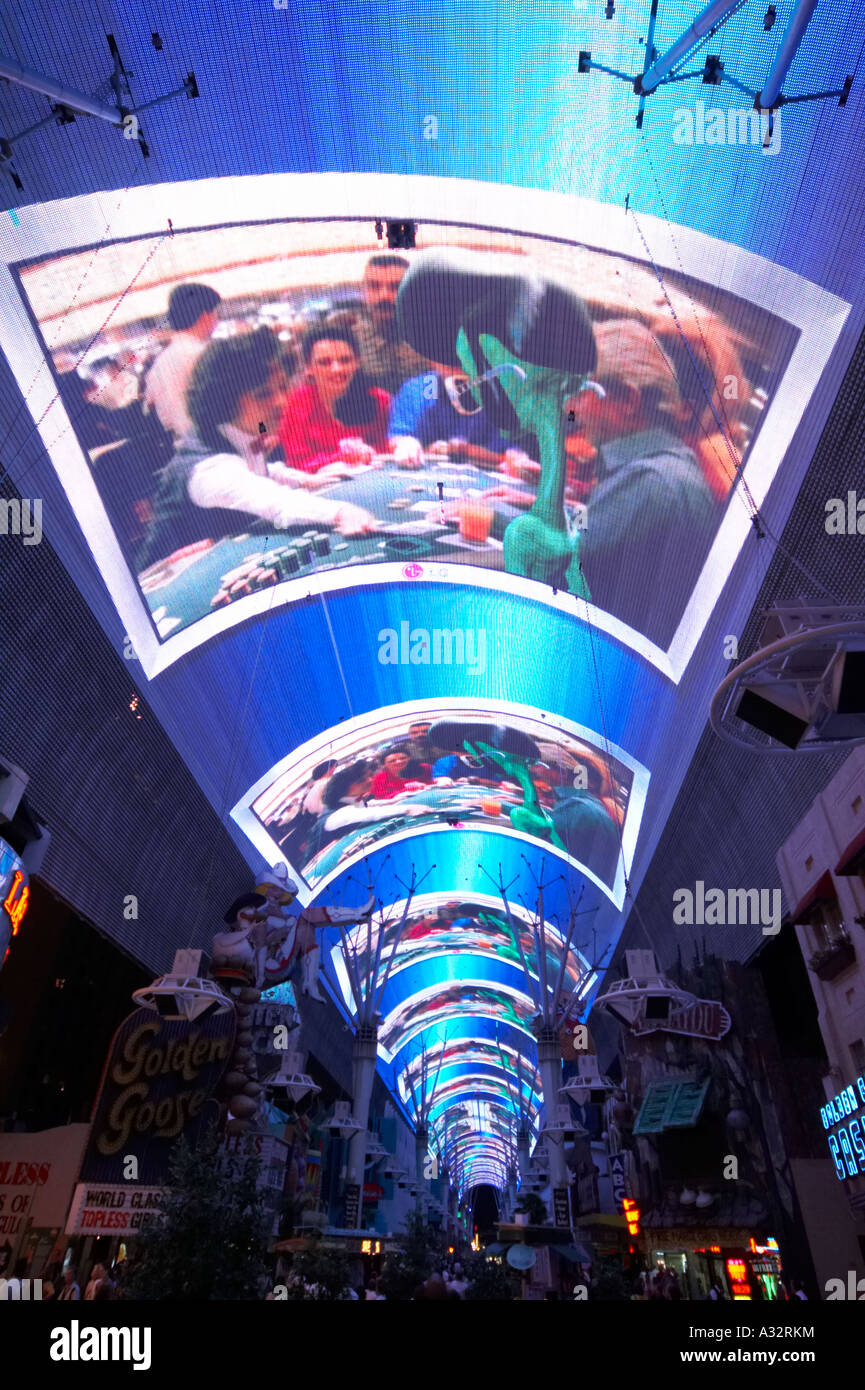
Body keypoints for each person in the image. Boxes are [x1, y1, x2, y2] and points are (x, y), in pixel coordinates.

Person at [136, 330, 375, 570]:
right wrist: (340, 512)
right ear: (225, 401)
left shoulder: (246, 428)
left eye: (283, 387)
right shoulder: (208, 470)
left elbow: (260, 467)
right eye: (263, 395)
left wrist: (305, 479)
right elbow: (273, 500)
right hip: (168, 584)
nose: (281, 401)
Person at [571, 317, 717, 646]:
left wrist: (492, 518)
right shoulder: (664, 466)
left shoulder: (651, 483)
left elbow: (559, 550)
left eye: (583, 390)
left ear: (627, 400)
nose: (573, 407)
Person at [277, 324, 391, 475]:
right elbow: (296, 463)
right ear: (308, 367)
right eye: (324, 362)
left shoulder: (380, 400)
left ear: (357, 362)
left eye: (345, 360)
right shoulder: (296, 403)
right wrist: (342, 457)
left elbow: (388, 448)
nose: (337, 369)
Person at [388, 358, 516, 469]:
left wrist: (463, 450)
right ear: (432, 361)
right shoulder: (418, 389)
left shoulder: (501, 392)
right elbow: (397, 438)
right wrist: (407, 444)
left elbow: (509, 457)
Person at [144, 283, 222, 440]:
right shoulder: (207, 355)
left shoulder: (157, 365)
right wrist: (263, 431)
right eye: (216, 313)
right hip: (219, 444)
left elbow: (149, 409)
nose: (217, 319)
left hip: (182, 450)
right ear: (205, 316)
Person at [354, 253, 433, 393]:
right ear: (363, 290)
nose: (384, 296)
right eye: (374, 286)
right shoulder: (350, 338)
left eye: (395, 287)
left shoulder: (432, 337)